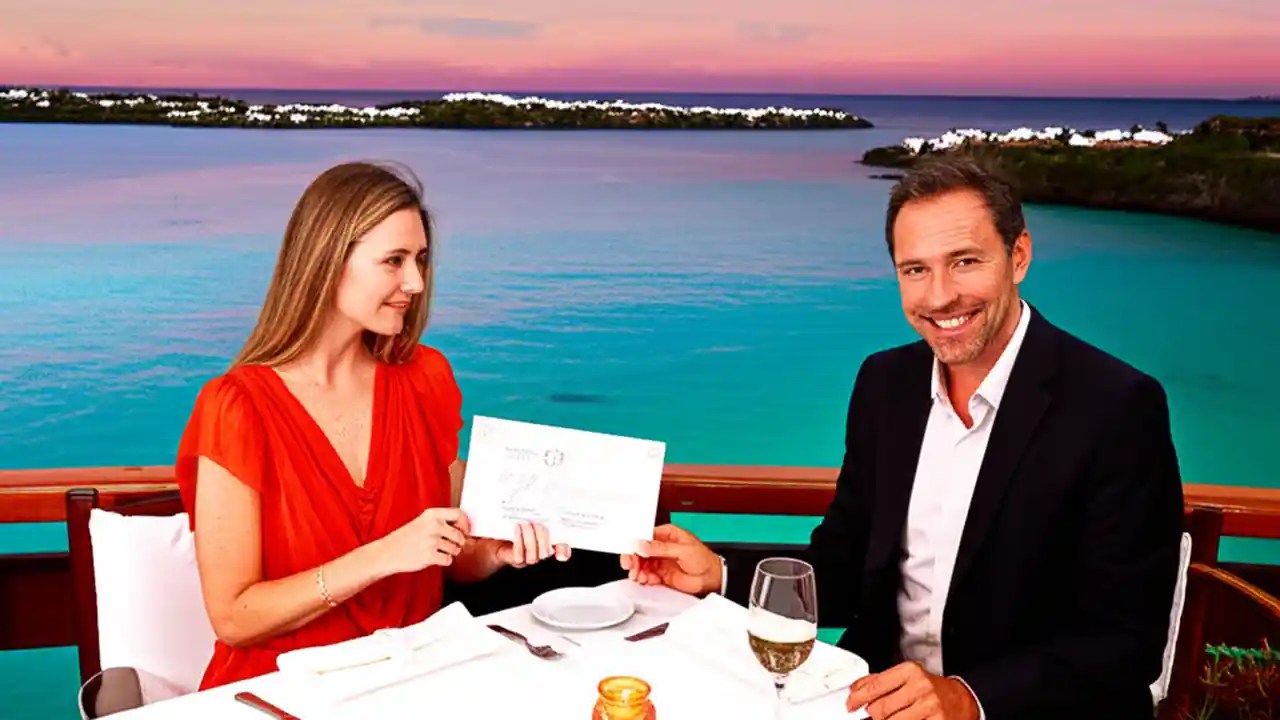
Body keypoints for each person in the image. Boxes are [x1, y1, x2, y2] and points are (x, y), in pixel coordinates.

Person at [621, 156, 1185, 719]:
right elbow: (842, 569)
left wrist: (967, 698)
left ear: (1019, 256)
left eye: (963, 262)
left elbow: (1126, 643)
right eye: (914, 270)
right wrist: (717, 573)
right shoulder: (885, 384)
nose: (939, 297)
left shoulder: (1116, 406)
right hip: (876, 696)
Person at [174, 161, 569, 690]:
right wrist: (381, 557)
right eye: (394, 261)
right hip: (282, 693)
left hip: (416, 682)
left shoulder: (426, 379)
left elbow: (454, 554)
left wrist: (491, 554)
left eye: (421, 260)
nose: (416, 282)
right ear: (327, 261)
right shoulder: (236, 407)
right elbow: (235, 617)